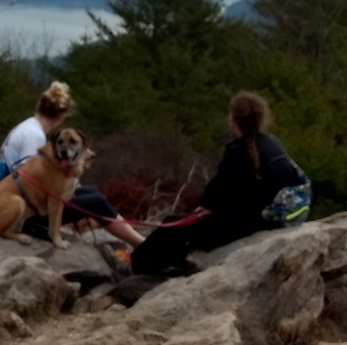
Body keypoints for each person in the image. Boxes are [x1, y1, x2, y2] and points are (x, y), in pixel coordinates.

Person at [130, 91, 306, 277]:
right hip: (269, 219)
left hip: (243, 225)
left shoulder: (237, 152)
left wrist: (207, 207)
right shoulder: (273, 143)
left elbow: (218, 192)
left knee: (173, 225)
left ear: (233, 119)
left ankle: (136, 267)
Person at [0, 81, 146, 248]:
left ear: (38, 105)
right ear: (63, 115)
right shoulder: (34, 136)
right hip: (29, 211)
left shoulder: (27, 127)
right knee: (97, 202)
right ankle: (141, 243)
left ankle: (140, 240)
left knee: (91, 192)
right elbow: (31, 183)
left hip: (19, 197)